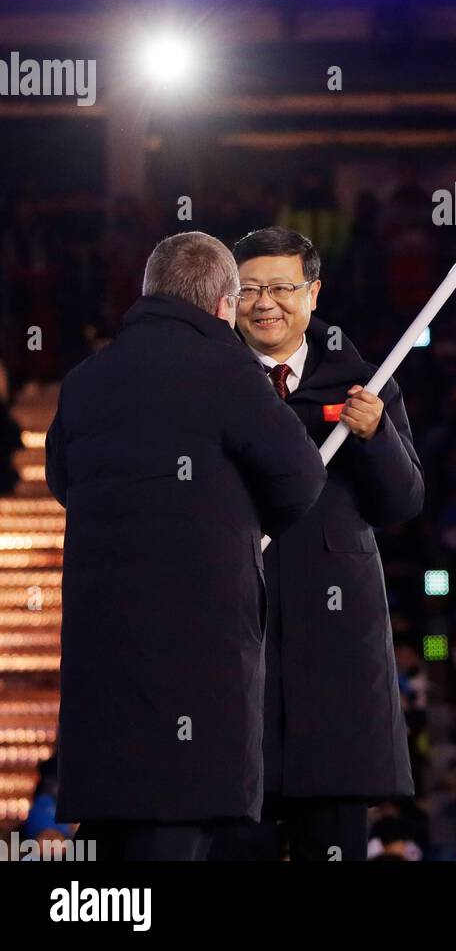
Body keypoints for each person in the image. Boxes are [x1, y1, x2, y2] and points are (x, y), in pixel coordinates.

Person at [45, 232, 326, 861]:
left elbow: (63, 481)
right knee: (174, 837)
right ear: (225, 306)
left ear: (147, 295)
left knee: (115, 858)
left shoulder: (87, 378)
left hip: (100, 663)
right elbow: (303, 478)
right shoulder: (229, 373)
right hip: (198, 664)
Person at [212, 225, 424, 862]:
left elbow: (404, 502)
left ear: (313, 294)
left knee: (331, 835)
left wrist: (377, 434)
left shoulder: (363, 382)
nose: (264, 302)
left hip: (335, 660)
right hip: (232, 645)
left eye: (280, 286)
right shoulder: (207, 384)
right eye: (248, 289)